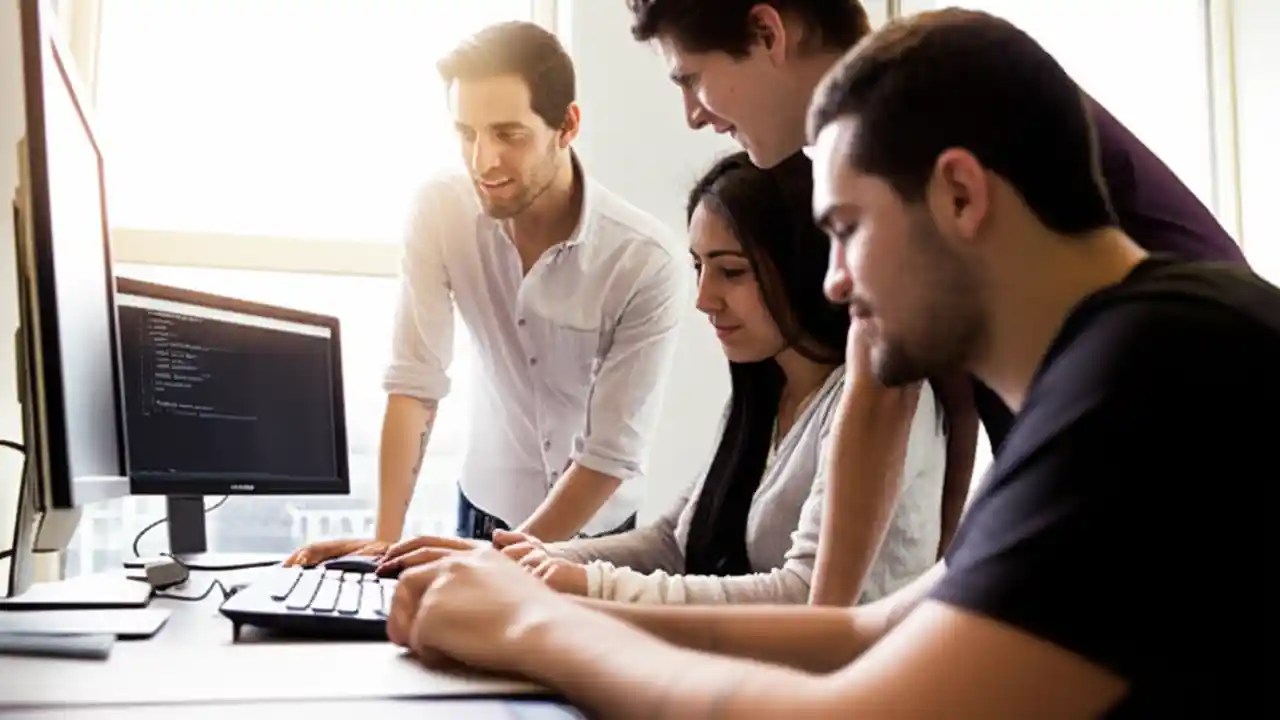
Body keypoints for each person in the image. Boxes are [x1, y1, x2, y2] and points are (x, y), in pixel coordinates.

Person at [384, 10, 1275, 717]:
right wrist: (550, 601)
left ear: (960, 194)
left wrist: (538, 627)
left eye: (845, 231)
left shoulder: (1155, 376)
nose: (836, 284)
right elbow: (862, 632)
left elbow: (865, 706)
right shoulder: (1106, 374)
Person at [624, 0, 1250, 573]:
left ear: (768, 32)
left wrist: (837, 626)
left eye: (689, 78)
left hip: (1187, 432)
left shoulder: (933, 100)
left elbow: (878, 398)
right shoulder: (880, 124)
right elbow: (933, 397)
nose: (692, 115)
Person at [285, 22, 687, 567]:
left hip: (591, 535)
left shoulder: (644, 261)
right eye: (467, 133)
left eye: (508, 134)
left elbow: (609, 453)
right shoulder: (440, 210)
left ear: (567, 125)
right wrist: (384, 539)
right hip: (483, 508)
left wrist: (498, 562)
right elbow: (415, 383)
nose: (482, 161)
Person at [474, 150, 945, 605]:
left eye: (731, 271)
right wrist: (522, 558)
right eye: (700, 268)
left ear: (804, 262)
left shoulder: (880, 402)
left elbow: (805, 593)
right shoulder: (765, 395)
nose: (703, 298)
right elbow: (674, 543)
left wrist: (590, 583)